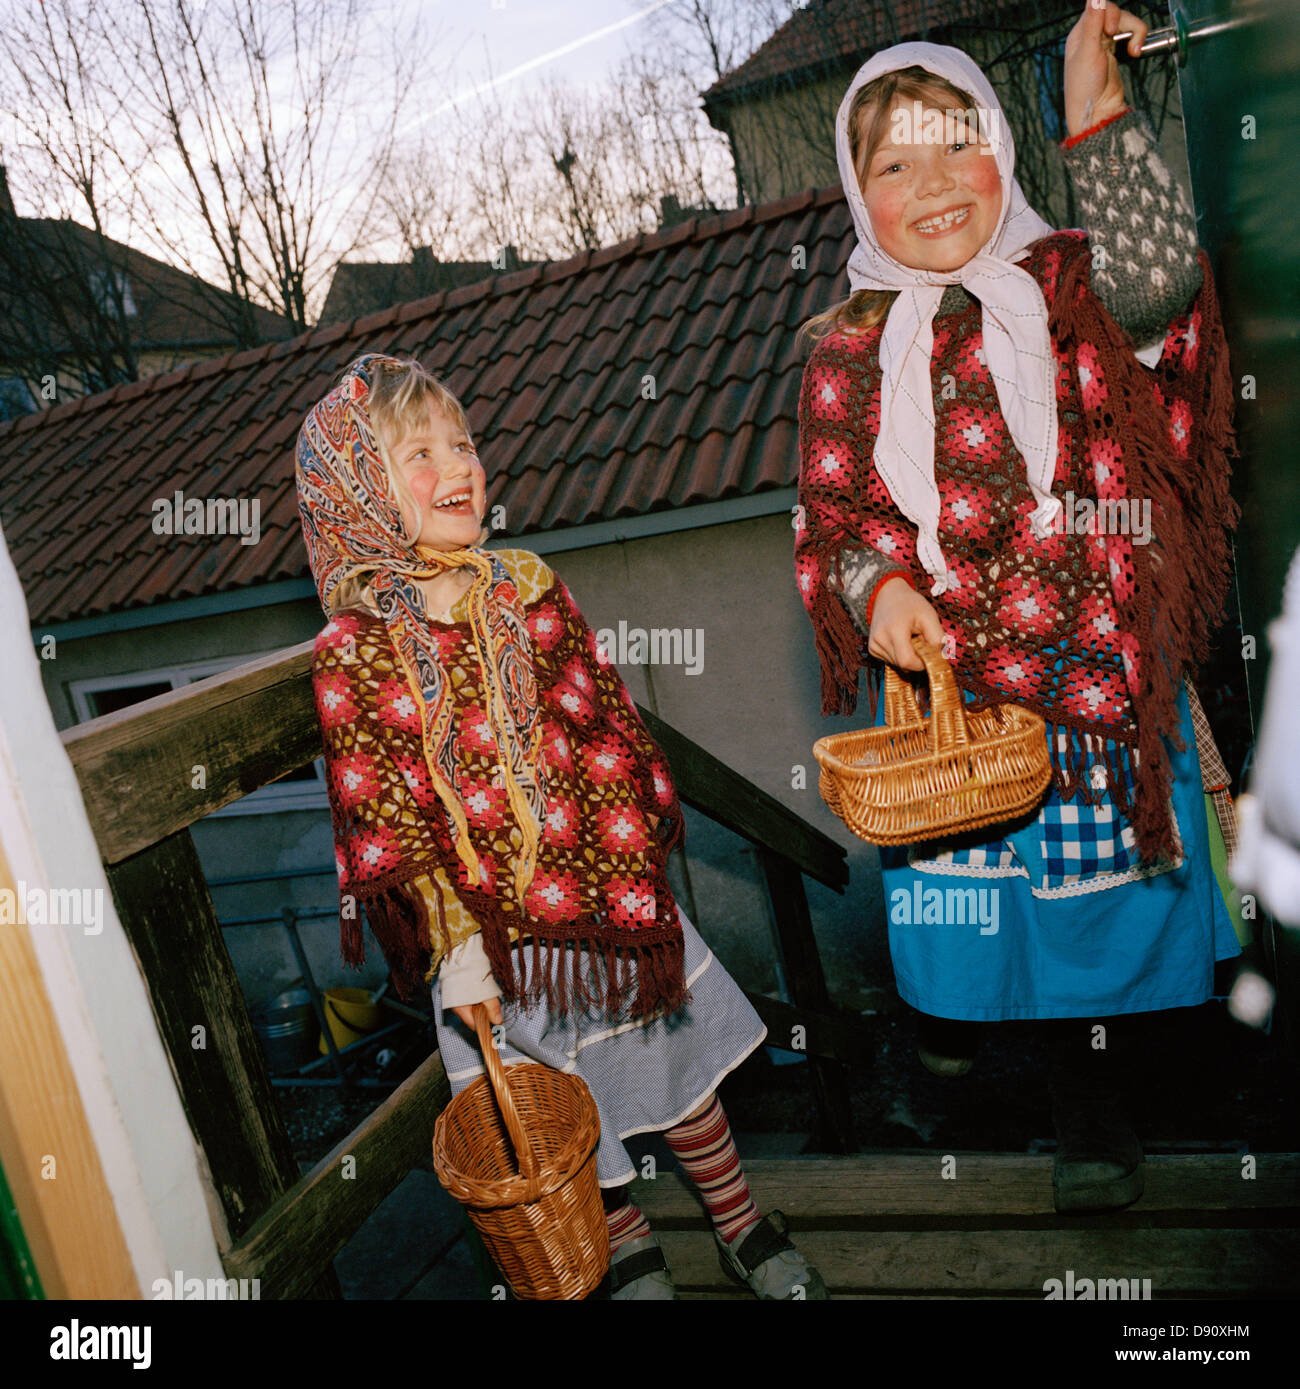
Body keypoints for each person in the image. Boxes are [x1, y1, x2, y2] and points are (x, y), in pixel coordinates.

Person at [794, 5, 1241, 1213]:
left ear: (1001, 148)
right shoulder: (841, 347)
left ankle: (1095, 1117)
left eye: (956, 142)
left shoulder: (1069, 287)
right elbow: (831, 520)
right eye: (893, 163)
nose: (932, 183)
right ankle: (966, 1045)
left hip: (1091, 674)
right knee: (984, 917)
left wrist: (1093, 113)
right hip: (959, 697)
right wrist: (876, 587)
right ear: (855, 191)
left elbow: (1165, 303)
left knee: (1088, 930)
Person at [296, 352, 826, 1298]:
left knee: (680, 1076)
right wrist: (454, 953)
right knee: (559, 1106)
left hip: (599, 903)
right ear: (357, 492)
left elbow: (602, 717)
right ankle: (624, 1246)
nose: (457, 466)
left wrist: (630, 843)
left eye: (461, 443)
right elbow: (383, 804)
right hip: (488, 945)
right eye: (418, 453)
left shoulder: (528, 586)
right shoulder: (355, 648)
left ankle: (742, 1221)